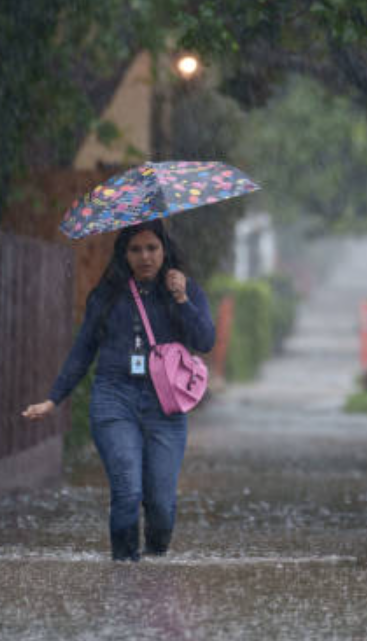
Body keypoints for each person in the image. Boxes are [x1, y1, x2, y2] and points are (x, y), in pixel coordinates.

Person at [22, 219, 215, 561]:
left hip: (165, 407)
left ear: (164, 250)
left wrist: (183, 298)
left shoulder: (183, 289)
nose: (145, 257)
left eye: (152, 248)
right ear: (124, 254)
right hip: (115, 399)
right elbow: (82, 350)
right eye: (136, 249)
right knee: (127, 491)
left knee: (161, 504)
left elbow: (205, 341)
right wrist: (54, 398)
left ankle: (154, 568)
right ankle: (124, 575)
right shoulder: (107, 295)